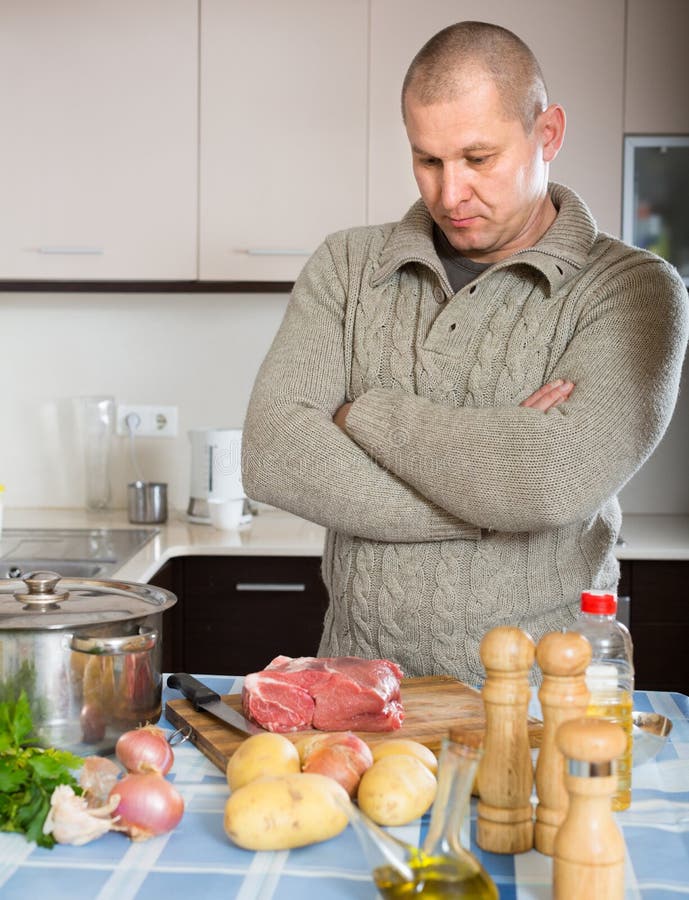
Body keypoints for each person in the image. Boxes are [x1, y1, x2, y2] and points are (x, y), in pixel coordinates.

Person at [241, 21, 688, 684]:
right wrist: (487, 506)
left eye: (478, 159)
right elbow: (272, 454)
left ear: (548, 135)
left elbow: (545, 482)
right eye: (427, 160)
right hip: (357, 694)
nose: (449, 194)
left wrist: (360, 414)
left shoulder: (631, 289)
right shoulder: (346, 264)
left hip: (535, 706)